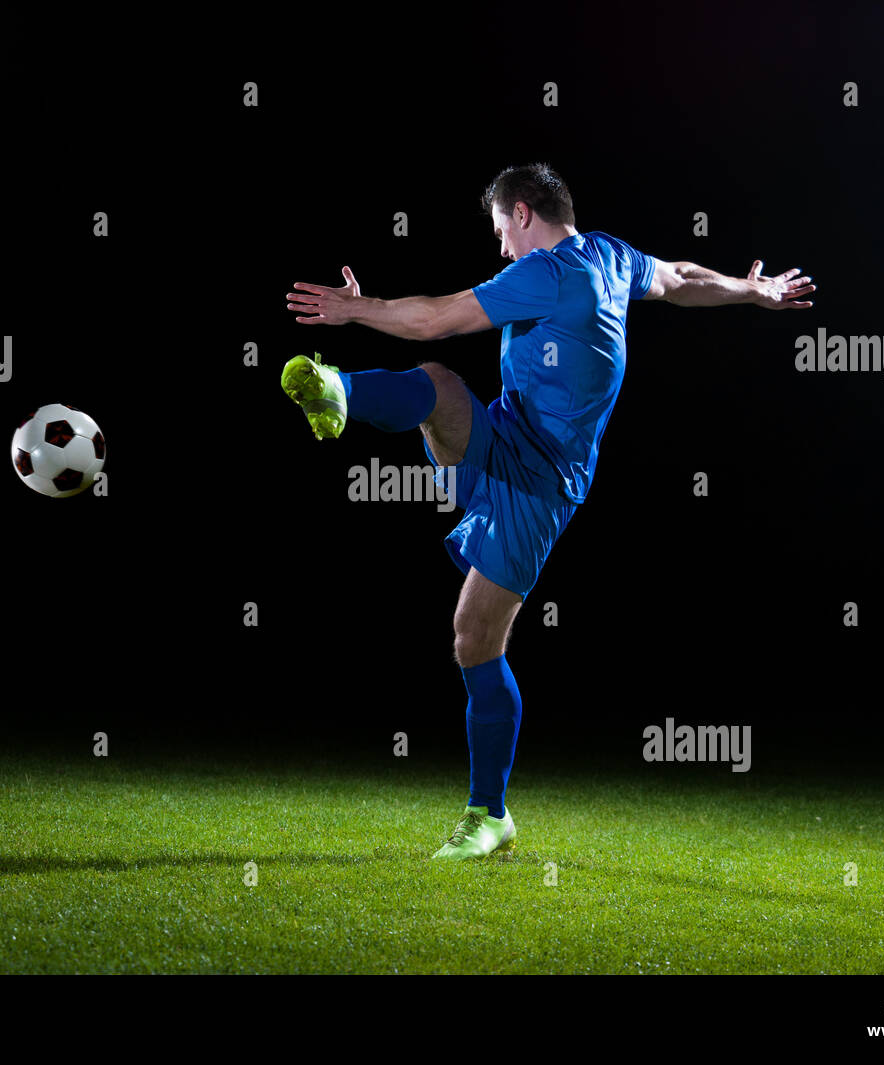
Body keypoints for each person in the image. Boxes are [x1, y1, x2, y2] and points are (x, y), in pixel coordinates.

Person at [281, 163, 816, 859]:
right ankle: (340, 392)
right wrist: (754, 289)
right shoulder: (613, 256)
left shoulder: (553, 272)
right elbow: (681, 278)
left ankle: (490, 816)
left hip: (540, 486)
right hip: (502, 435)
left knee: (474, 638)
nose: (502, 247)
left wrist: (358, 309)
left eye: (503, 230)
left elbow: (438, 317)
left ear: (525, 213)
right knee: (439, 389)